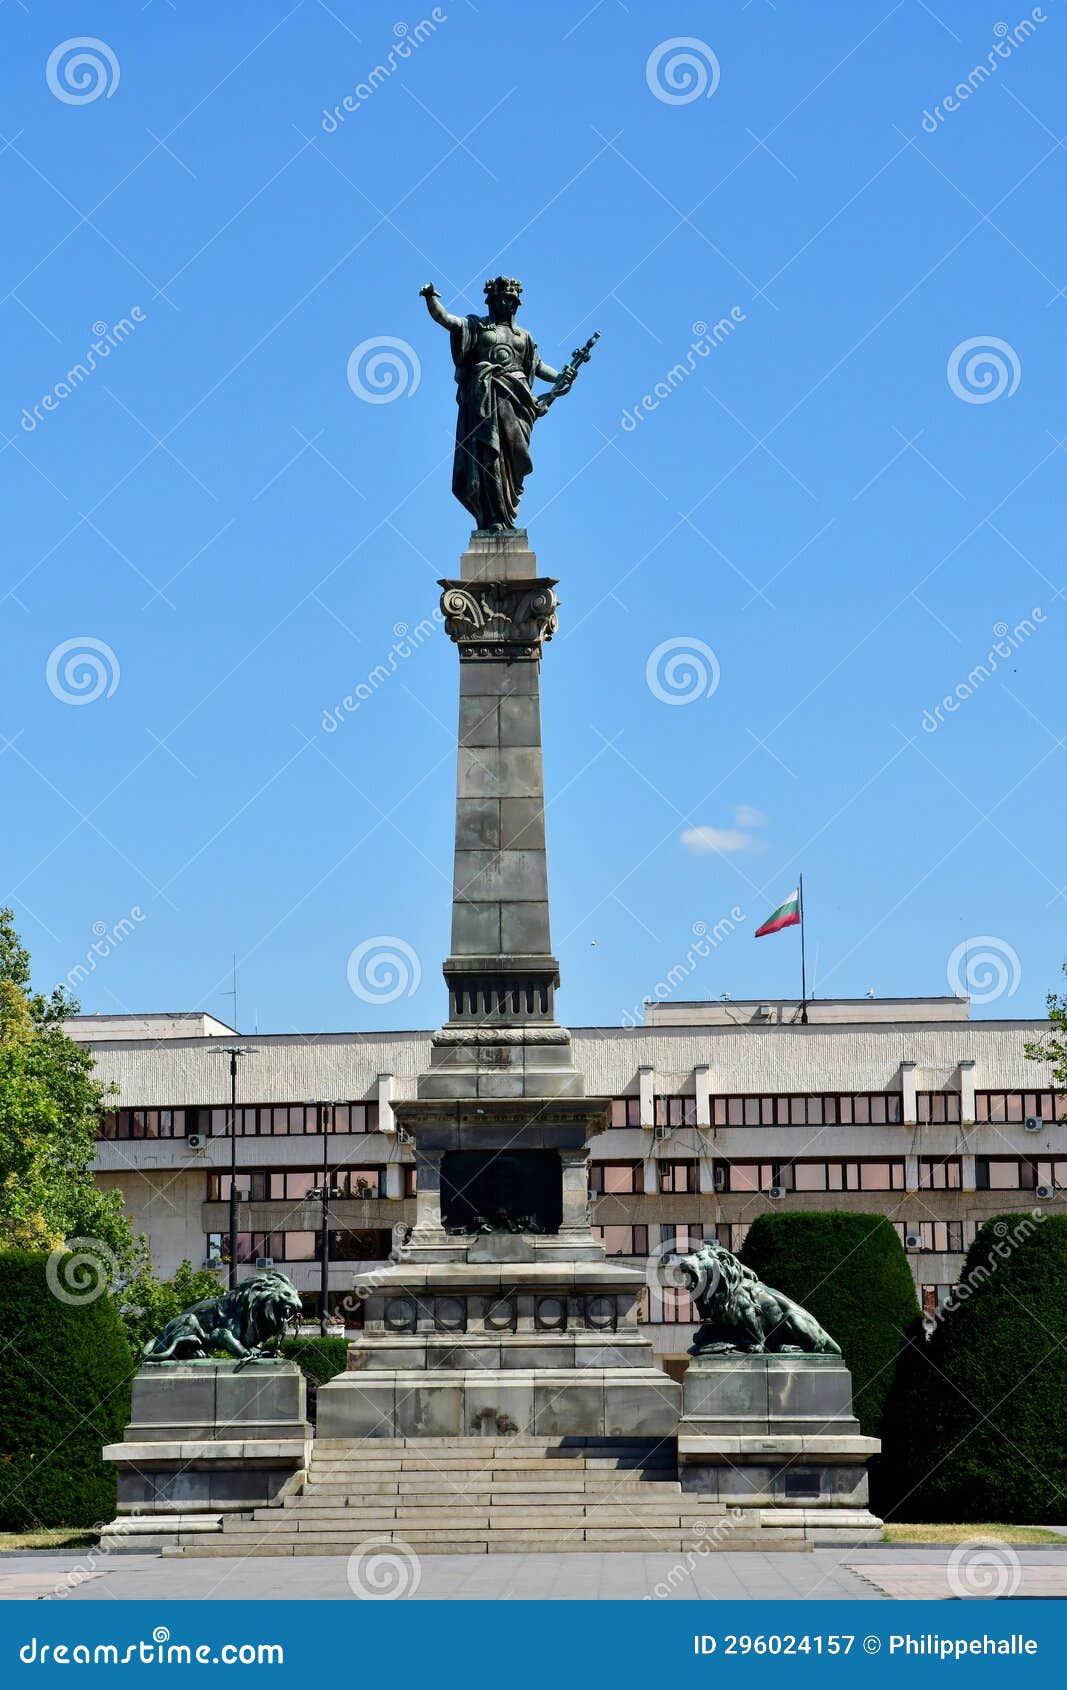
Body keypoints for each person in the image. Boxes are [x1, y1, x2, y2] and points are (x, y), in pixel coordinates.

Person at [419, 276, 571, 532]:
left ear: (515, 303)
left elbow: (537, 366)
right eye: (500, 298)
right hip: (484, 402)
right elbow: (446, 320)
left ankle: (506, 512)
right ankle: (491, 517)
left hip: (517, 404)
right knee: (488, 457)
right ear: (490, 300)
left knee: (513, 459)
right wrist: (431, 298)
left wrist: (561, 376)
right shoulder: (477, 326)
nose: (505, 302)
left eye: (510, 299)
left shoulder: (524, 336)